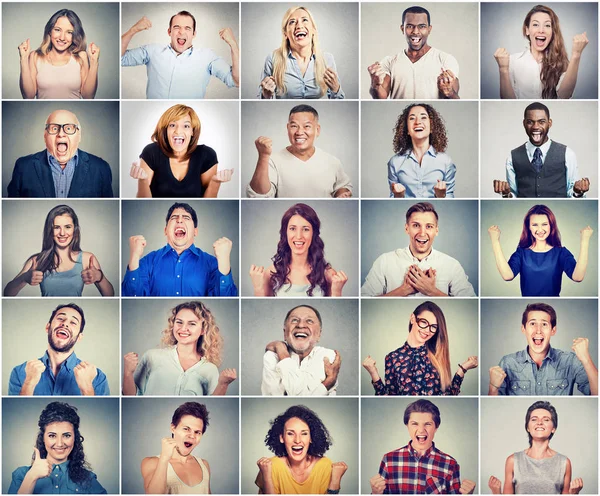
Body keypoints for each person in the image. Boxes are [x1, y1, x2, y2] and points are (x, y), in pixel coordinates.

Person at [121, 202, 237, 297]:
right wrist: (134, 257)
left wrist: (224, 262)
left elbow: (227, 299)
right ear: (165, 230)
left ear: (195, 231)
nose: (179, 220)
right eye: (174, 217)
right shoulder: (148, 261)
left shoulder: (212, 263)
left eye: (186, 217)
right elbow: (131, 296)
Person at [362, 301, 477, 395]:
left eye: (433, 327)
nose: (427, 330)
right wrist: (373, 373)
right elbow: (388, 398)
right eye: (424, 322)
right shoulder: (392, 358)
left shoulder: (438, 355)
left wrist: (462, 369)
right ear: (413, 318)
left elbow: (450, 396)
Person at [361, 202, 476, 296]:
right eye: (416, 225)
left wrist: (432, 291)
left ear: (436, 230)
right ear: (407, 228)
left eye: (429, 226)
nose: (422, 233)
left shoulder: (452, 265)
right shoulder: (384, 261)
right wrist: (403, 290)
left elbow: (471, 301)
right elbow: (364, 299)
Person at [122, 301, 236, 396]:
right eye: (179, 322)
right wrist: (127, 372)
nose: (183, 328)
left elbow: (212, 404)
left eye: (192, 324)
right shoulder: (152, 357)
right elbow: (130, 396)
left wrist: (223, 384)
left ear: (203, 330)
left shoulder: (209, 370)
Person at [121, 10, 239, 99]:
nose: (182, 32)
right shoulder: (152, 51)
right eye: (177, 27)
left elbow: (236, 81)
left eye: (187, 28)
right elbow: (120, 58)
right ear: (169, 31)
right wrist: (134, 29)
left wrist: (233, 44)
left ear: (194, 34)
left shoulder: (207, 57)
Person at [4, 204, 114, 297]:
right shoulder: (37, 260)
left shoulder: (87, 259)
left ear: (75, 229)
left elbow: (110, 295)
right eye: (56, 227)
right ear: (50, 230)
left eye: (67, 227)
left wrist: (100, 276)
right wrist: (24, 277)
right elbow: (7, 293)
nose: (62, 233)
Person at [488, 303, 597, 396]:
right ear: (523, 329)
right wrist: (493, 387)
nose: (538, 330)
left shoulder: (570, 361)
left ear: (553, 330)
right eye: (533, 324)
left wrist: (586, 359)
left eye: (544, 324)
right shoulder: (508, 363)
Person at [369, 399, 475, 494]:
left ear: (436, 427)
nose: (421, 430)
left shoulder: (450, 464)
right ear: (407, 426)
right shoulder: (389, 460)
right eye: (414, 424)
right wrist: (375, 493)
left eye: (428, 424)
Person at [248, 105, 352, 198]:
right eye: (294, 126)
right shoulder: (273, 160)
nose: (299, 132)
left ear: (317, 130)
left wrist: (341, 194)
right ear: (287, 128)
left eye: (307, 126)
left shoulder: (332, 162)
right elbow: (259, 196)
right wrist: (263, 156)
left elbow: (342, 186)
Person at [129, 104, 233, 198]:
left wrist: (215, 182)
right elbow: (144, 199)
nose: (178, 131)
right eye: (172, 125)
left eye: (186, 126)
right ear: (166, 130)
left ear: (193, 131)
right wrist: (142, 180)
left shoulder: (207, 155)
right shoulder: (151, 152)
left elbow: (209, 201)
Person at [488, 204, 593, 296]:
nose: (540, 230)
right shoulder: (522, 253)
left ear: (551, 226)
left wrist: (585, 241)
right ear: (528, 227)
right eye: (534, 225)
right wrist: (495, 241)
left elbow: (578, 277)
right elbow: (507, 276)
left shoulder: (561, 253)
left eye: (544, 224)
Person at [7, 109, 113, 198]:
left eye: (68, 128)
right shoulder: (23, 167)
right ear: (45, 135)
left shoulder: (101, 168)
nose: (61, 134)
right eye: (54, 128)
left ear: (79, 135)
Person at [249, 203, 348, 297]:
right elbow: (267, 308)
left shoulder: (328, 274)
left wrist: (337, 291)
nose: (299, 236)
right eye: (292, 229)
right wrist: (257, 288)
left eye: (305, 229)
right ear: (285, 232)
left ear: (313, 233)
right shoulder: (272, 273)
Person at [493, 102, 589, 198]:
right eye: (530, 122)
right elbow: (513, 195)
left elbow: (572, 193)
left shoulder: (567, 154)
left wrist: (578, 192)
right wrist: (506, 194)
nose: (536, 127)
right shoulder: (512, 157)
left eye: (541, 122)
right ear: (524, 123)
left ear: (549, 123)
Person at [9, 303, 109, 396]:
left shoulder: (97, 377)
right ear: (48, 327)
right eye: (60, 318)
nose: (65, 324)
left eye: (73, 322)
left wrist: (87, 387)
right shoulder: (20, 372)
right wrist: (28, 383)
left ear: (79, 337)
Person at [8, 401, 107, 494]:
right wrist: (31, 477)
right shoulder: (22, 475)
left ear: (75, 438)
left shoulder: (88, 478)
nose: (59, 443)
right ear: (43, 438)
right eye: (52, 436)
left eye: (66, 435)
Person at [493, 5, 588, 99]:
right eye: (535, 24)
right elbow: (508, 101)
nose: (541, 30)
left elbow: (564, 96)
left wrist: (576, 54)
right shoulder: (512, 61)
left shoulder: (562, 62)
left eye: (547, 25)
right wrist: (503, 69)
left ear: (552, 32)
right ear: (527, 30)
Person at [488, 401, 584, 494]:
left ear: (553, 428)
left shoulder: (564, 462)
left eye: (546, 419)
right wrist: (496, 493)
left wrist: (574, 494)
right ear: (528, 428)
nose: (539, 422)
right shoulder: (513, 460)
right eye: (534, 419)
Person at [368, 6, 460, 100]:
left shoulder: (445, 59)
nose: (415, 32)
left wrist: (450, 92)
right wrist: (375, 85)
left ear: (429, 29)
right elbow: (381, 97)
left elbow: (455, 98)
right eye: (410, 26)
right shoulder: (389, 61)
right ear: (402, 29)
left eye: (422, 26)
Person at [255, 405, 348, 494]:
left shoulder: (324, 465)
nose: (297, 440)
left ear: (311, 438)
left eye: (304, 433)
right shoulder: (270, 467)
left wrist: (335, 481)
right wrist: (267, 478)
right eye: (290, 433)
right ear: (282, 438)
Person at [259, 6, 344, 99]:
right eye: (292, 22)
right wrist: (265, 95)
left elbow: (339, 99)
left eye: (304, 20)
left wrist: (336, 89)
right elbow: (261, 98)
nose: (299, 26)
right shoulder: (272, 59)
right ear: (285, 33)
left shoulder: (327, 59)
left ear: (313, 29)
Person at [18, 9, 99, 99]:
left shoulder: (81, 57)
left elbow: (88, 97)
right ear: (49, 31)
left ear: (75, 35)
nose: (62, 37)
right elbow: (28, 96)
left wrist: (94, 62)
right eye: (57, 30)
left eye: (69, 32)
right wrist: (24, 59)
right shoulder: (35, 56)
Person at [261, 304, 341, 396]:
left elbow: (296, 394)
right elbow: (275, 396)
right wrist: (328, 382)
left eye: (309, 321)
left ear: (319, 334)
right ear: (285, 333)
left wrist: (282, 353)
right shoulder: (271, 356)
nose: (301, 325)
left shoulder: (328, 356)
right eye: (294, 320)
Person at [141, 402, 213, 494]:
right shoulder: (151, 462)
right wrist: (164, 459)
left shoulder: (204, 465)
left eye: (197, 432)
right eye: (186, 429)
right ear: (173, 428)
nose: (192, 436)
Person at [388, 103, 456, 198]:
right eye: (412, 118)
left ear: (431, 127)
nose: (417, 122)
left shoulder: (446, 161)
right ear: (406, 129)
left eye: (423, 117)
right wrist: (398, 196)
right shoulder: (395, 162)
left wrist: (441, 196)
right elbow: (392, 197)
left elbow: (450, 196)